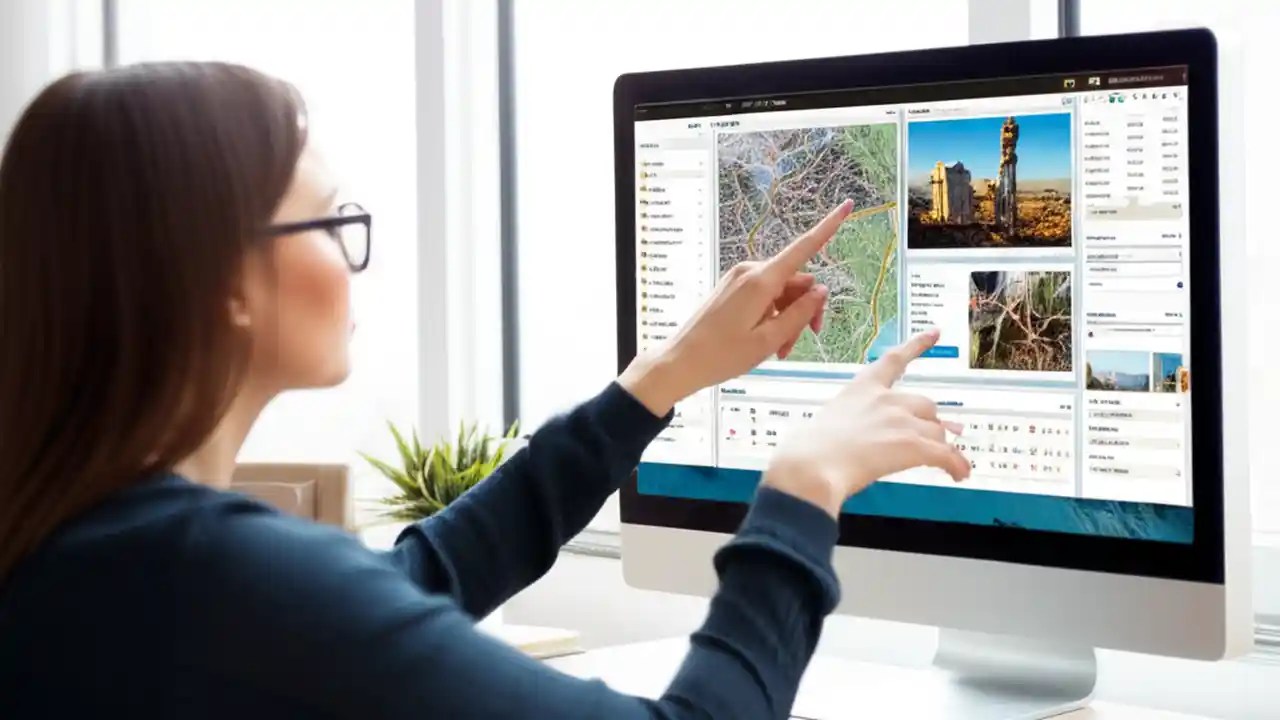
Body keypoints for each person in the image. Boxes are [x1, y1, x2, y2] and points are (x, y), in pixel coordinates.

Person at [0, 63, 969, 718]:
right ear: (222, 280)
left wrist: (657, 383)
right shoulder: (211, 578)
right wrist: (799, 490)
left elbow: (406, 586)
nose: (350, 257)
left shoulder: (83, 544)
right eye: (329, 222)